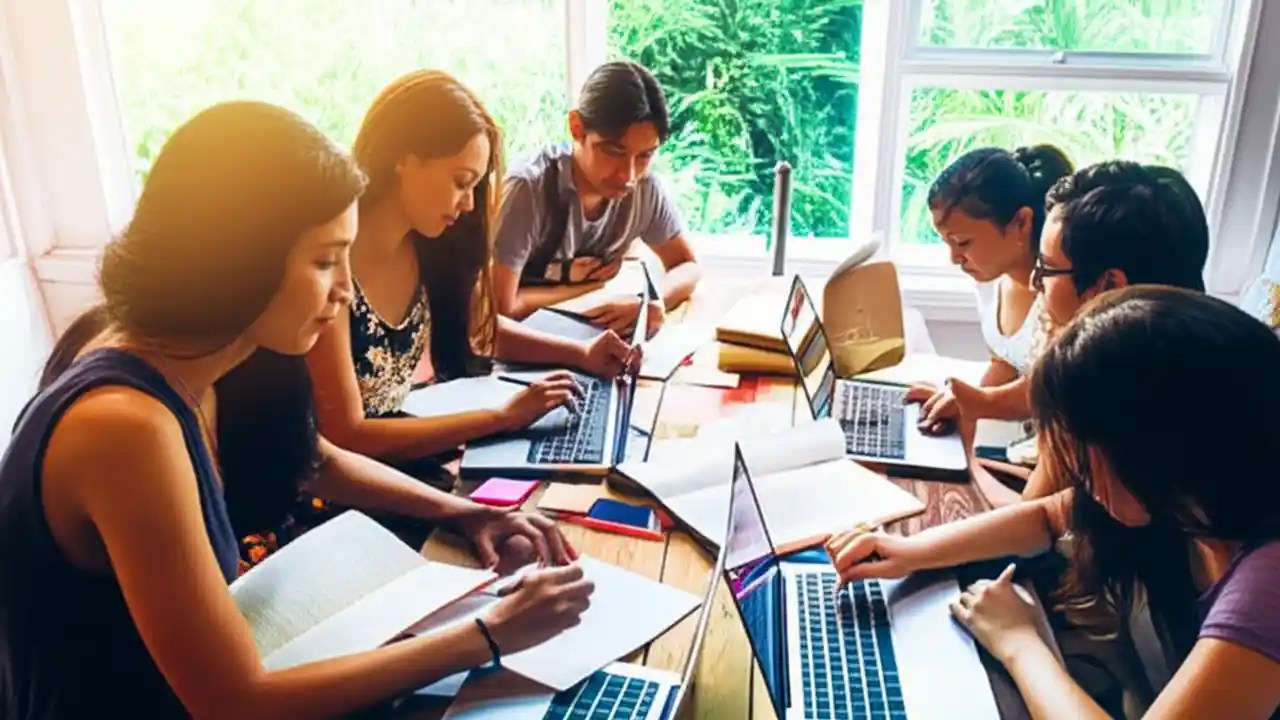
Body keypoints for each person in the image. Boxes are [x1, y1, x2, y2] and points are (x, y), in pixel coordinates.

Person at [0, 102, 591, 718]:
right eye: (324, 260)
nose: (344, 290)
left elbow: (312, 459)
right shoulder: (125, 428)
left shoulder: (231, 345)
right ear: (237, 260)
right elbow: (235, 702)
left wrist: (465, 512)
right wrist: (488, 636)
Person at [828, 287, 1280, 719]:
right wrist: (910, 551)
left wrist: (1019, 641)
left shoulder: (1268, 579)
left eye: (1082, 446)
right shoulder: (1186, 498)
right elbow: (1047, 517)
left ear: (1155, 442)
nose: (1077, 470)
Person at [306, 70, 638, 467]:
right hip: (346, 483)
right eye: (461, 182)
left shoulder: (429, 248)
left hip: (404, 459)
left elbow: (481, 329)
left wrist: (582, 354)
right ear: (404, 158)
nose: (467, 204)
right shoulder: (331, 270)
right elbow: (347, 435)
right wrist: (500, 418)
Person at [948, 161, 1212, 504]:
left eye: (1046, 268)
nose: (1035, 283)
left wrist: (965, 459)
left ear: (1109, 285)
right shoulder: (1210, 350)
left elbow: (1039, 517)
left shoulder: (1094, 379)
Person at [492, 61, 701, 335]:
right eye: (613, 152)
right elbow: (501, 308)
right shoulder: (528, 189)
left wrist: (651, 301)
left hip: (593, 337)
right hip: (521, 343)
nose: (628, 175)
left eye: (644, 156)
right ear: (576, 127)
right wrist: (592, 288)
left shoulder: (646, 189)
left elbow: (687, 266)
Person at [908, 145, 1074, 434]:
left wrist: (979, 402)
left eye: (963, 242)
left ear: (1021, 222)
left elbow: (1051, 386)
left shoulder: (1061, 293)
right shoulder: (991, 279)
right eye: (947, 243)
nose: (954, 258)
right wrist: (959, 400)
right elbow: (1006, 363)